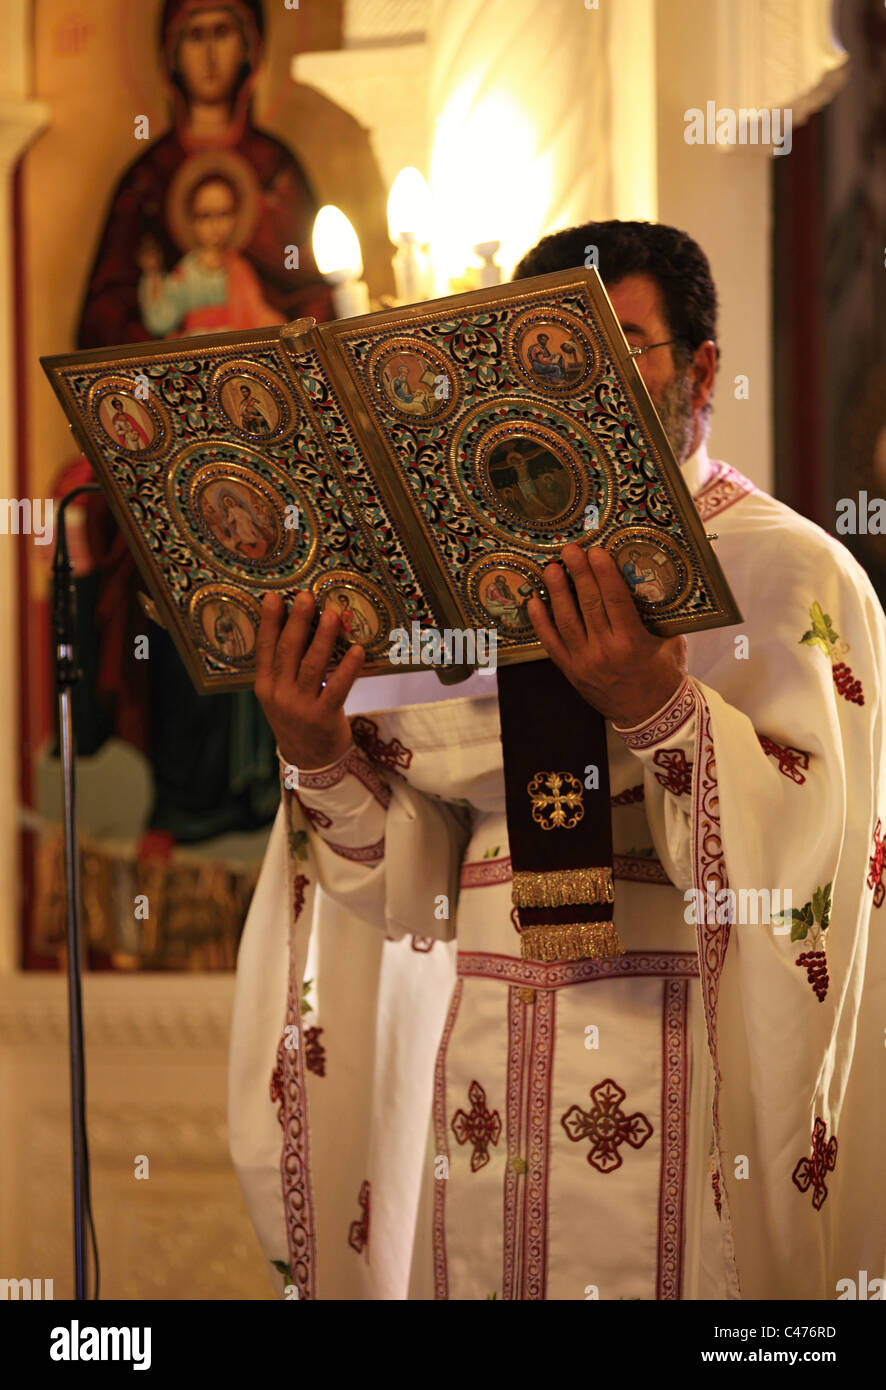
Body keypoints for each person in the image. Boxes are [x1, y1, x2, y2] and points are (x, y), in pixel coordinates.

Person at [229, 220, 886, 1300]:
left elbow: (818, 875)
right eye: (540, 361)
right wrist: (319, 755)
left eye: (614, 349)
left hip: (687, 1082)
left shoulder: (790, 574)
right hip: (486, 1083)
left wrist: (662, 710)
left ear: (703, 368)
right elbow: (405, 891)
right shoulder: (441, 590)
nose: (577, 393)